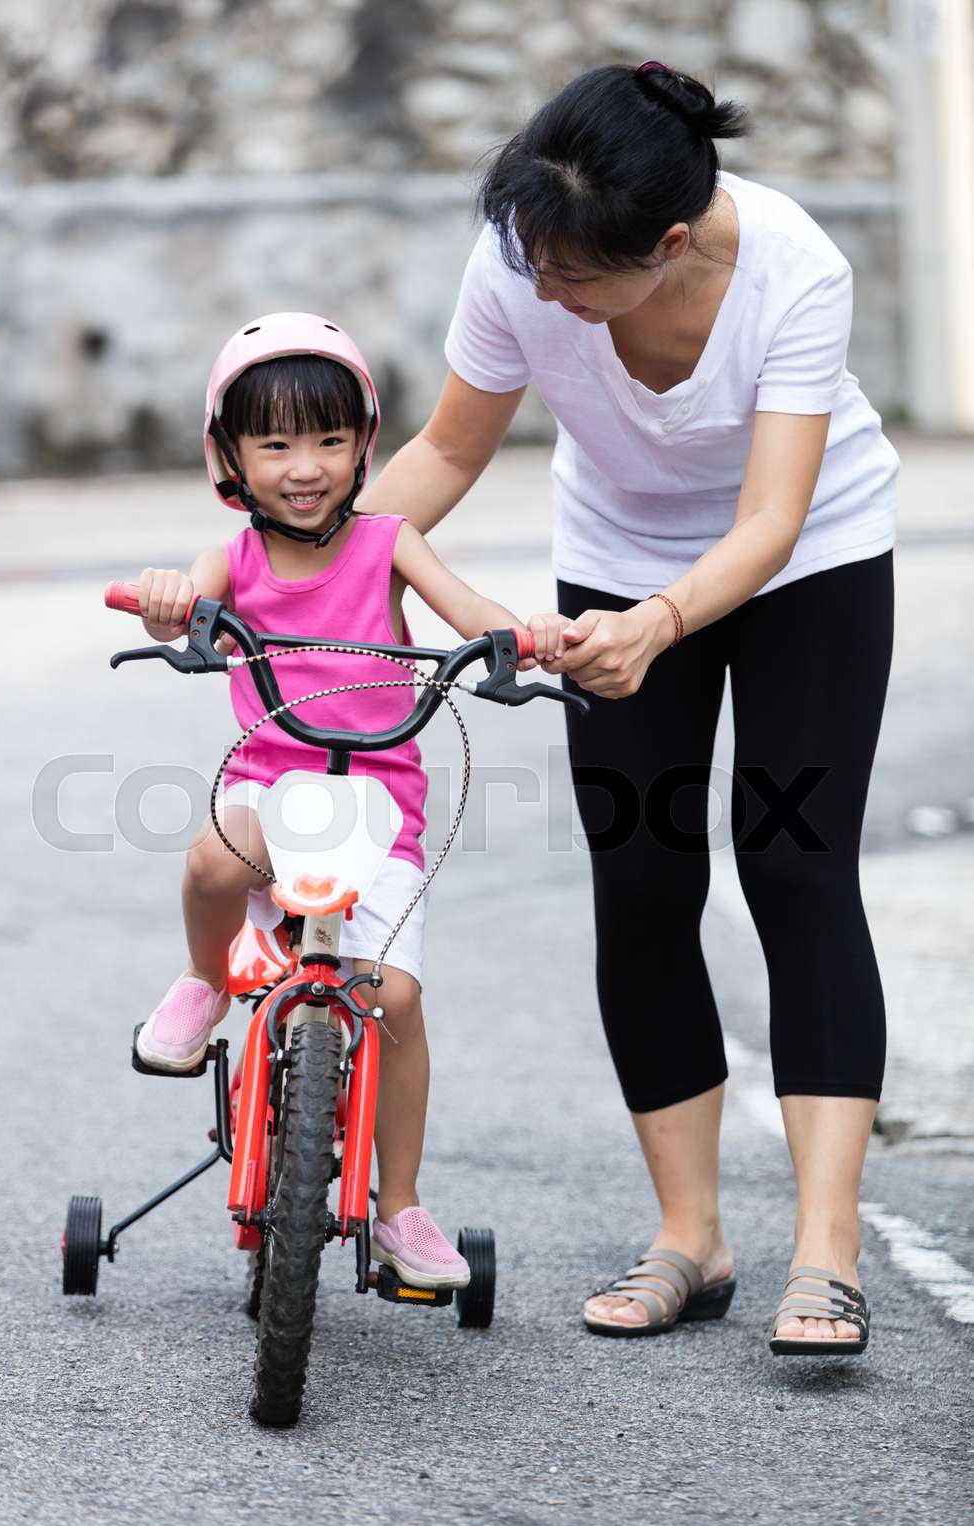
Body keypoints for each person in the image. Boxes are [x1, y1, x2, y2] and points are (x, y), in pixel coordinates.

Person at [359, 63, 894, 1354]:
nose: (542, 296)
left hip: (804, 561)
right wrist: (300, 558)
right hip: (611, 557)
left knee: (792, 867)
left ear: (665, 245)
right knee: (642, 882)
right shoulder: (519, 257)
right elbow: (449, 448)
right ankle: (688, 1238)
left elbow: (770, 516)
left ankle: (824, 1251)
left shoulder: (791, 268)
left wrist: (659, 624)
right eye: (530, 266)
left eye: (572, 282)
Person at [132, 312, 568, 1291]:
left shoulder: (386, 542)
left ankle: (400, 1201)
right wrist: (172, 603)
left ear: (364, 446)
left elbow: (467, 610)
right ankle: (205, 983)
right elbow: (187, 600)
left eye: (328, 439)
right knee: (211, 857)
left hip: (380, 799)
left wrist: (520, 639)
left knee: (395, 997)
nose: (304, 465)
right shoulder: (235, 560)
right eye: (275, 442)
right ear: (230, 457)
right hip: (269, 783)